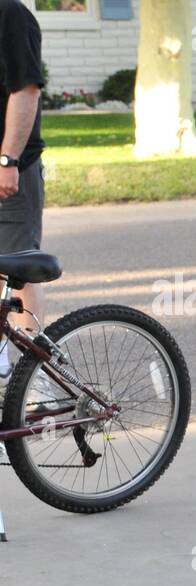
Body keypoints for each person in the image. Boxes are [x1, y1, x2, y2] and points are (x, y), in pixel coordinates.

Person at [0, 0, 45, 387]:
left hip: (10, 173)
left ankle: (37, 380)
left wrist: (7, 160)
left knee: (18, 273)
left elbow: (26, 90)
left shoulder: (10, 14)